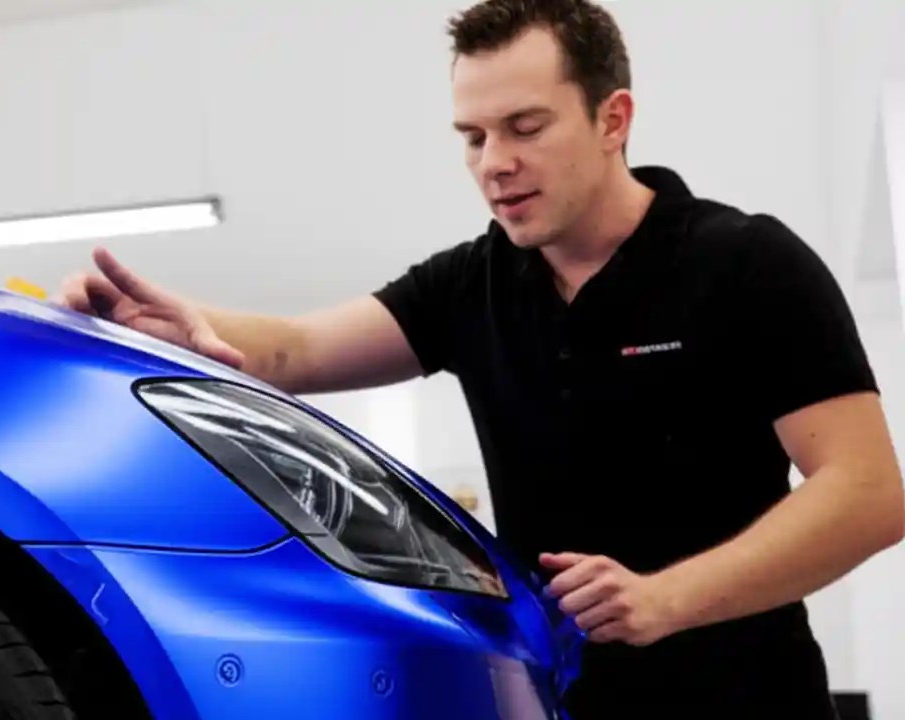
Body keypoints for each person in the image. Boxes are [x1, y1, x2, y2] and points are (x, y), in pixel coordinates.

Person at [56, 0, 905, 717]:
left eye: (525, 128)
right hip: (549, 697)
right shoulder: (471, 283)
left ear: (614, 119)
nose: (494, 164)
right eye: (473, 136)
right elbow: (297, 348)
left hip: (743, 697)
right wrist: (164, 322)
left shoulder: (745, 263)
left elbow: (868, 495)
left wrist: (664, 599)